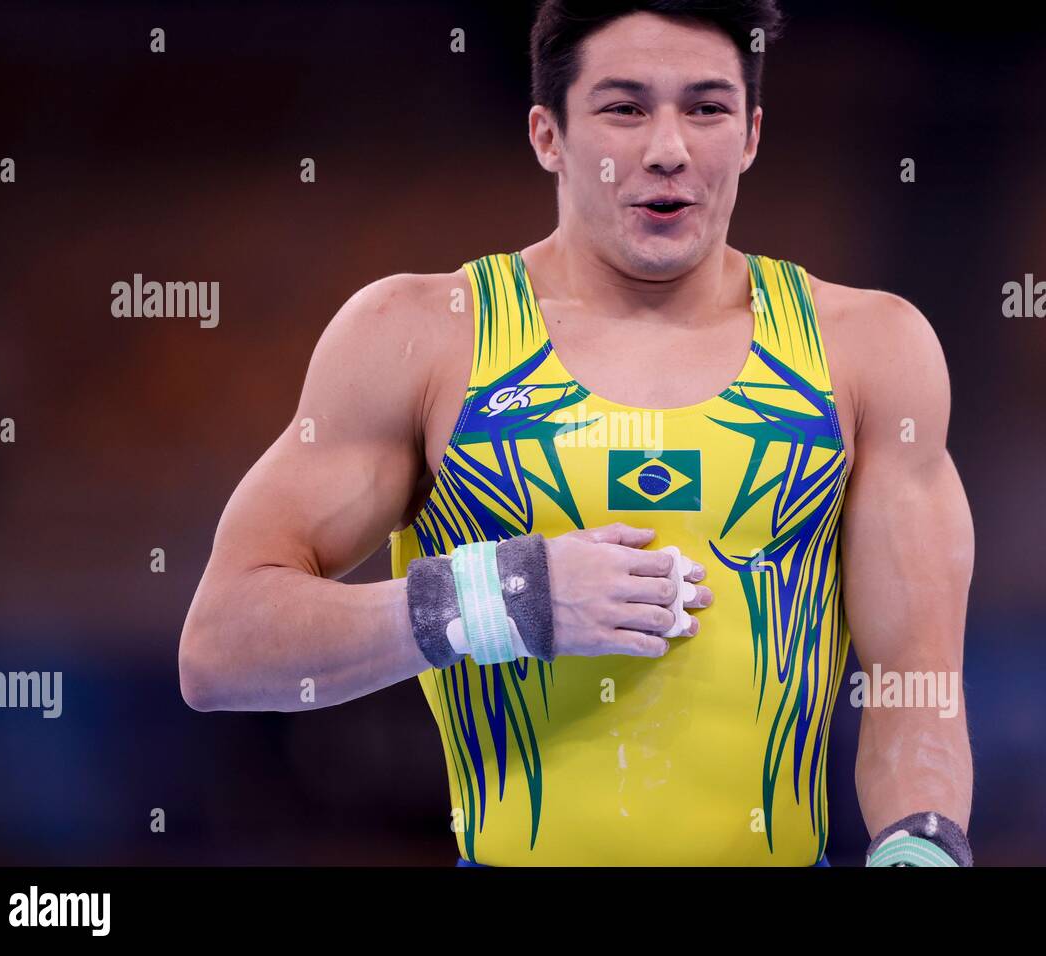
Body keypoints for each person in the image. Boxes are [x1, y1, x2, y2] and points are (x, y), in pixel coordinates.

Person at [179, 0, 975, 867]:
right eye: (624, 108)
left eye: (705, 108)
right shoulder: (422, 338)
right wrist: (500, 600)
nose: (668, 147)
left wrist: (921, 846)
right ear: (547, 134)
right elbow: (222, 646)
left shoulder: (868, 351)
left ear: (749, 135)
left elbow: (915, 682)